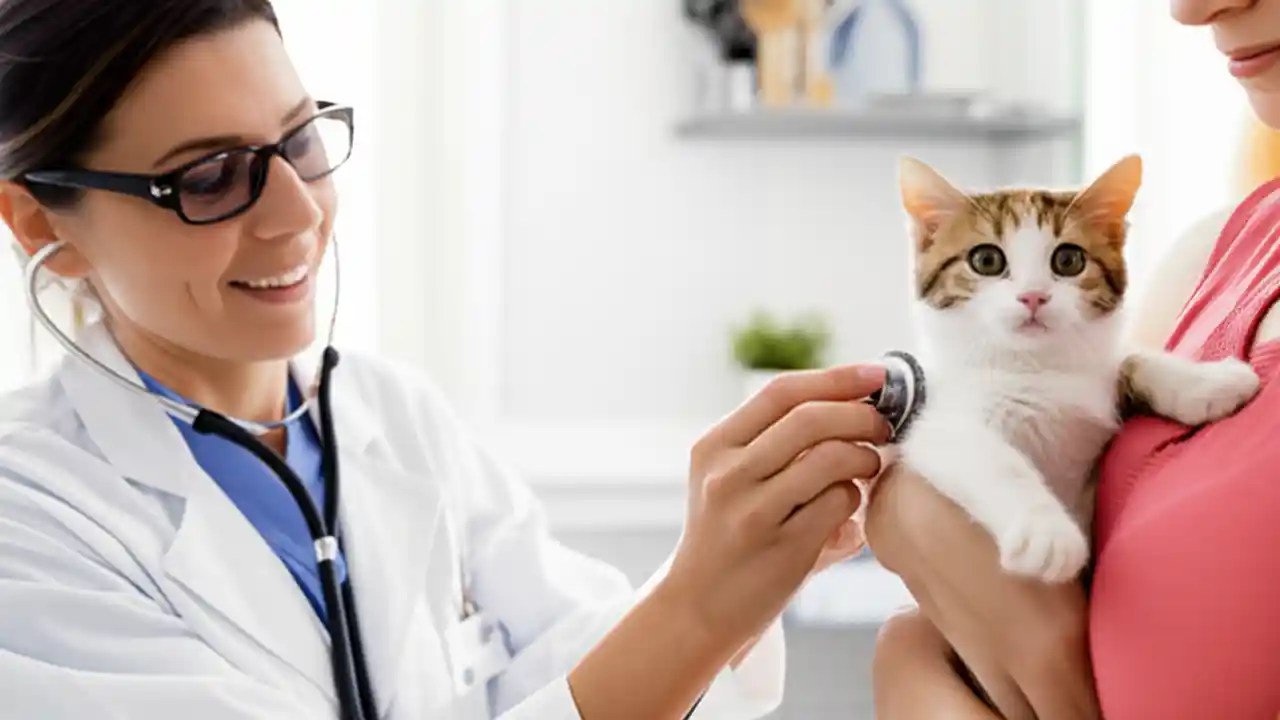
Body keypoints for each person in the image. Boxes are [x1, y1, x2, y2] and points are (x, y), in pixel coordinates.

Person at [0, 2, 895, 718]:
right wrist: (701, 606)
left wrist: (741, 571)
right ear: (43, 224)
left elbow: (578, 655)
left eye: (300, 142)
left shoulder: (394, 419)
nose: (298, 216)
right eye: (208, 178)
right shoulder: (30, 519)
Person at [868, 1, 1280, 718]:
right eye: (992, 262)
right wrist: (907, 650)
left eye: (1063, 262)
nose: (1188, 9)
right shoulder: (1210, 261)